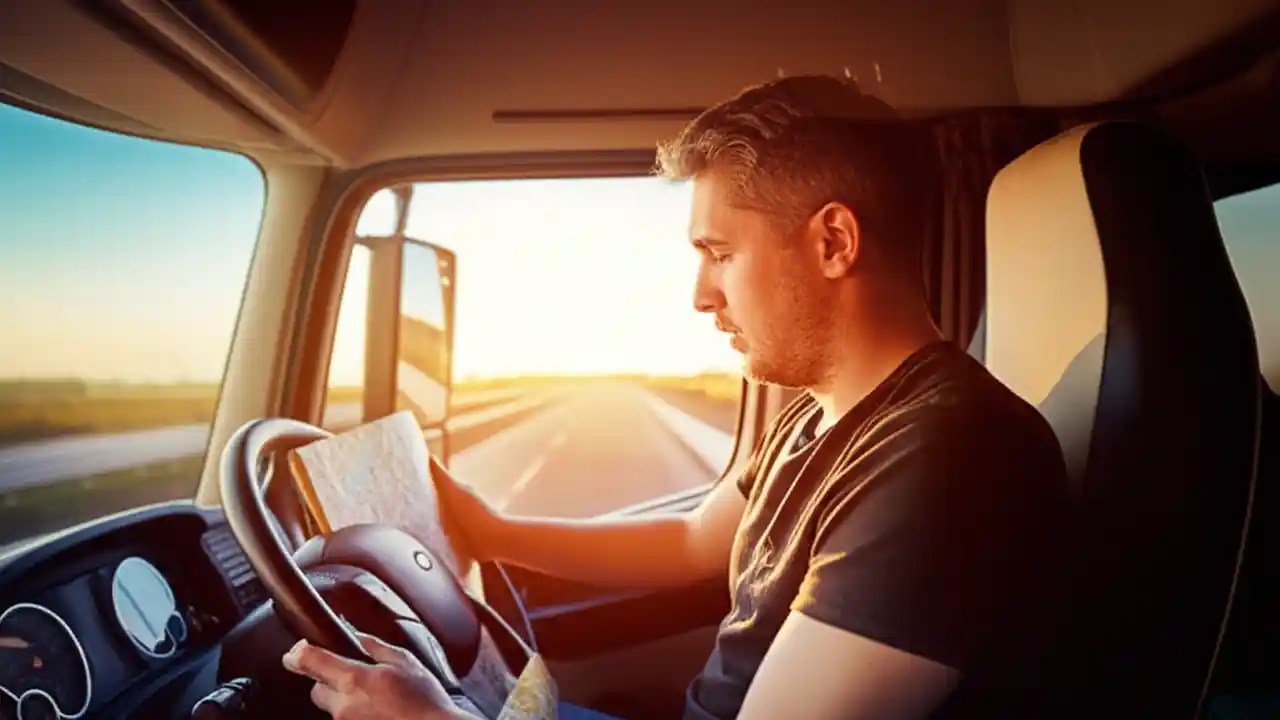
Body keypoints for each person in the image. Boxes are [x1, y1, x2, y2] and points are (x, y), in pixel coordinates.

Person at [282, 75, 1071, 719]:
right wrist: (491, 531)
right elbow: (694, 541)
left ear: (834, 242)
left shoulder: (952, 459)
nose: (701, 295)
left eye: (719, 254)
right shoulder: (825, 414)